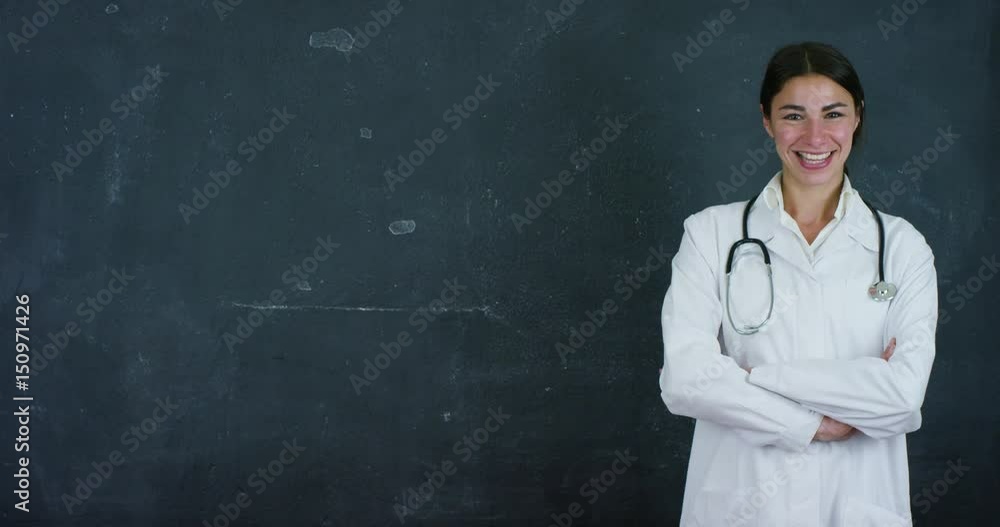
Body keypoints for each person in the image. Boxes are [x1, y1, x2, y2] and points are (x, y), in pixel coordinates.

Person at [658, 42, 938, 526]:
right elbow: (685, 381)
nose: (814, 136)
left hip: (855, 504)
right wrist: (811, 424)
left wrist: (751, 378)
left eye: (833, 113)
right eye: (793, 115)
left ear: (857, 118)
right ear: (766, 120)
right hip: (744, 507)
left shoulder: (903, 247)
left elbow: (901, 399)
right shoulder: (711, 234)